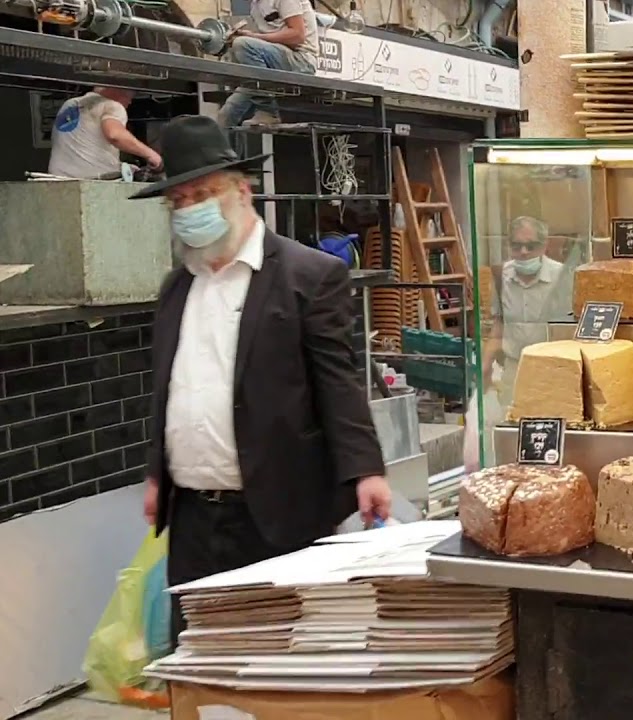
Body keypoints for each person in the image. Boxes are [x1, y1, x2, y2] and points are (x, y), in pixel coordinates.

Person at [131, 115, 390, 646]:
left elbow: (337, 383)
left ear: (241, 190)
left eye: (200, 194)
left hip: (279, 513)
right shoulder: (177, 288)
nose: (189, 211)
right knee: (203, 660)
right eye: (176, 202)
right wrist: (158, 472)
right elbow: (169, 387)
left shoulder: (308, 277)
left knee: (281, 660)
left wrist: (365, 471)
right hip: (194, 521)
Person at [464, 217, 570, 470]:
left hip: (550, 372)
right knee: (512, 437)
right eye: (517, 245)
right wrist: (485, 367)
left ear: (544, 246)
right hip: (513, 369)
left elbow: (569, 330)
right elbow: (498, 327)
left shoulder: (562, 277)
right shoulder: (502, 277)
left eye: (530, 246)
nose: (523, 252)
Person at [216, 0, 320, 128]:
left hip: (301, 59)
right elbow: (267, 42)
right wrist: (251, 36)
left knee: (242, 44)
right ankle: (220, 147)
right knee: (226, 115)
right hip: (275, 61)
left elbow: (297, 36)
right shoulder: (255, 6)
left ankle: (267, 110)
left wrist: (254, 38)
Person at [48, 87, 162, 179]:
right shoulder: (111, 105)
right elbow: (115, 135)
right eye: (129, 97)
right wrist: (152, 155)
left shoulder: (69, 104)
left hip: (55, 181)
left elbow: (83, 149)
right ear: (118, 91)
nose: (130, 102)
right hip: (89, 183)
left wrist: (123, 167)